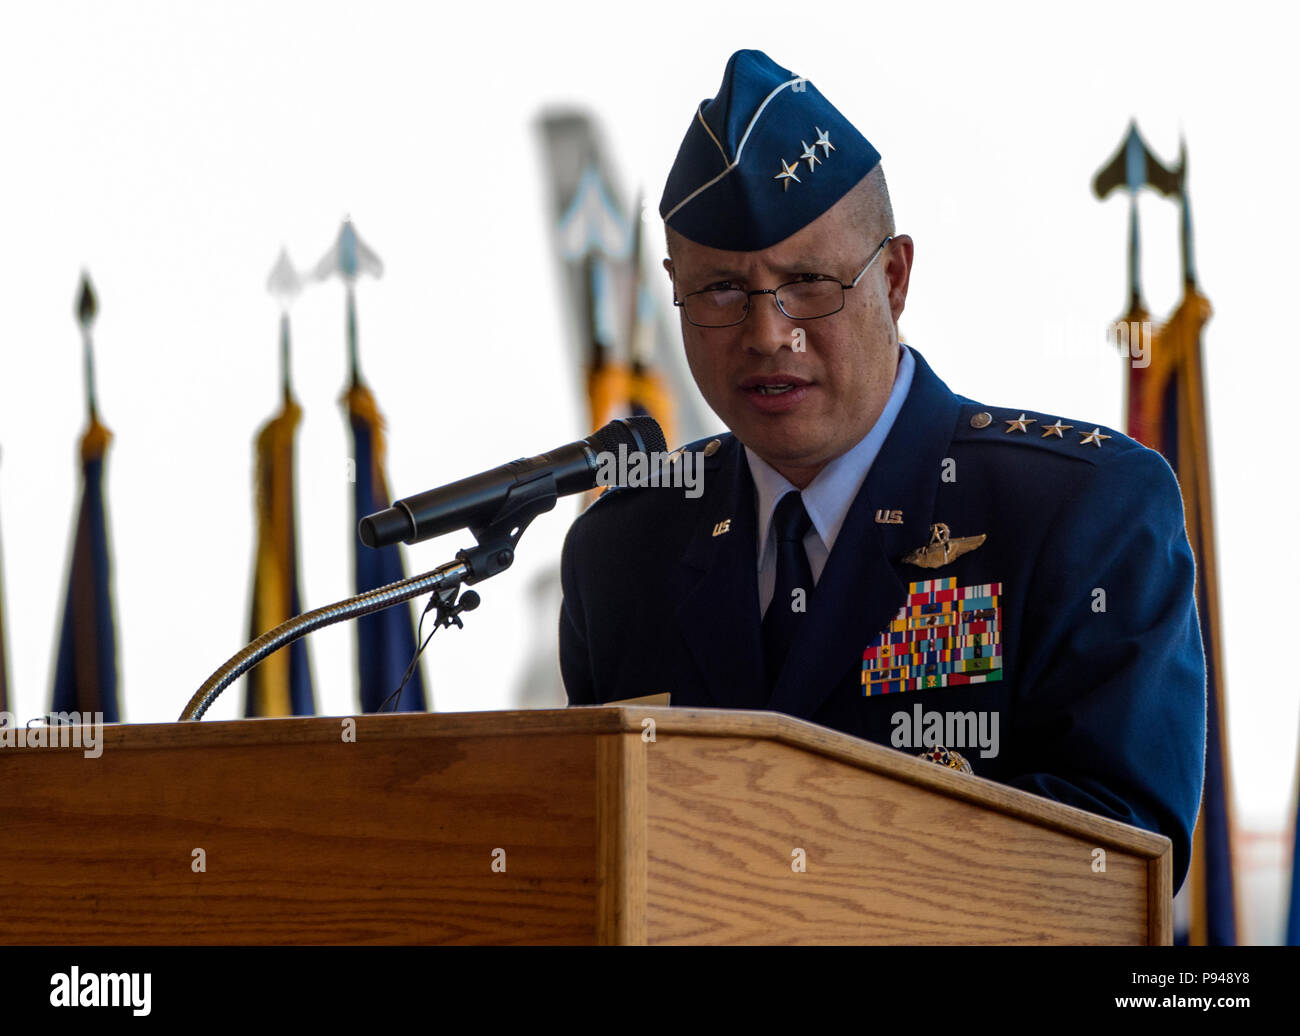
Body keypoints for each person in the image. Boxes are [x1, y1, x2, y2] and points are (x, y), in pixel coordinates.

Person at [558, 49, 1205, 891]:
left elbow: (1117, 862)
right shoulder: (622, 549)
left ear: (894, 278)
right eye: (721, 291)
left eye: (807, 282)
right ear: (675, 288)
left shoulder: (1081, 511)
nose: (768, 334)